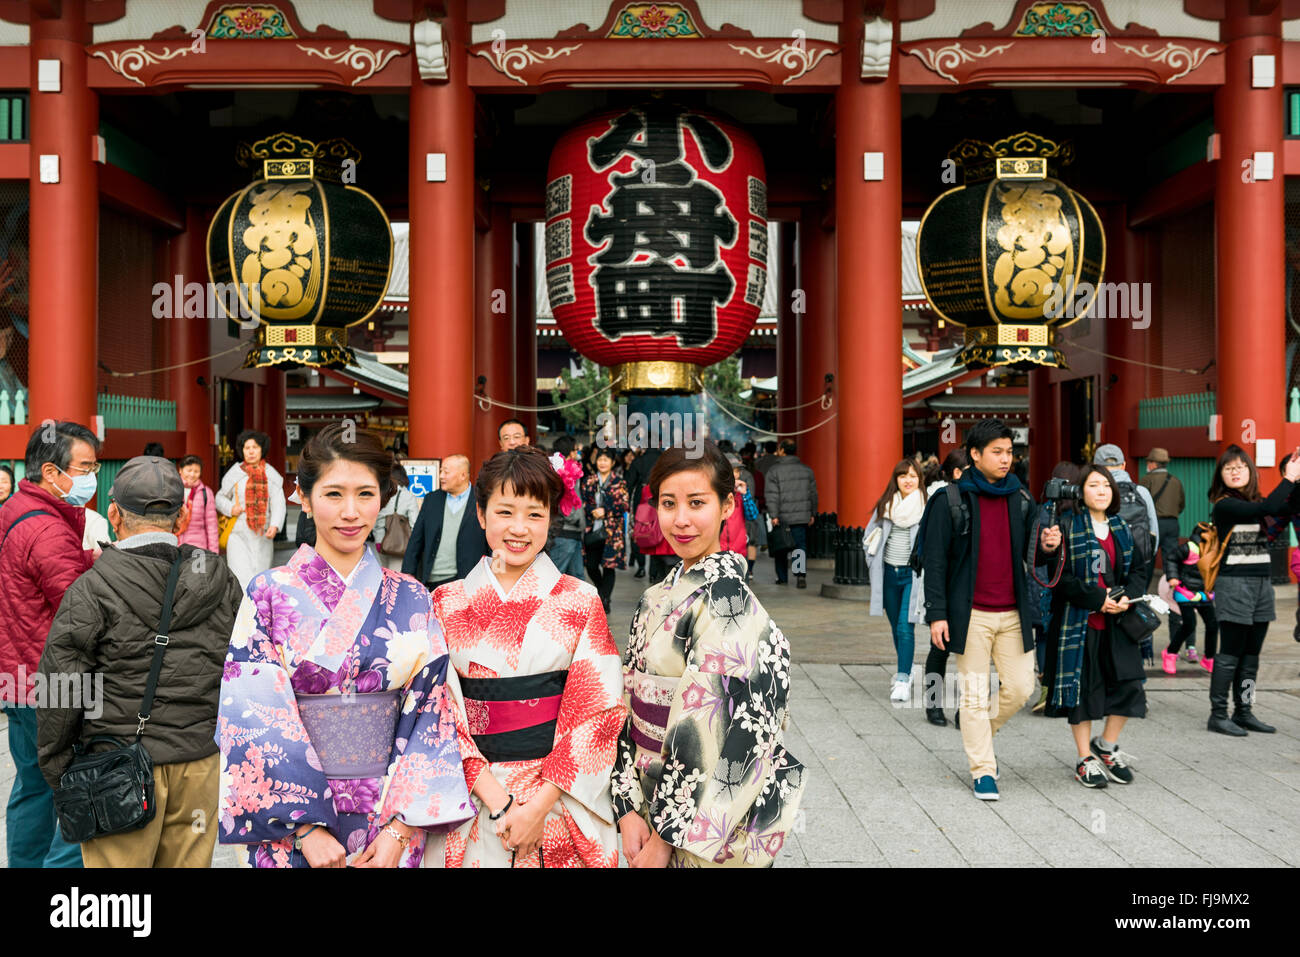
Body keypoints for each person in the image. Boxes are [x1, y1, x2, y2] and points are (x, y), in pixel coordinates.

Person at [216, 423, 474, 868]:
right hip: (292, 830)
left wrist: (398, 829)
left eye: (366, 494)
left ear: (383, 497)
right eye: (334, 494)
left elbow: (433, 714)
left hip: (390, 821)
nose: (350, 512)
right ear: (303, 495)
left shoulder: (411, 595)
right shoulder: (268, 593)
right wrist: (307, 828)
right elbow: (251, 714)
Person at [36, 456, 243, 866]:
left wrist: (58, 766)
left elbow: (61, 684)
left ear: (113, 514)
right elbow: (244, 669)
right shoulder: (220, 578)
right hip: (199, 761)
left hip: (116, 766)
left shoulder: (93, 587)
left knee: (122, 909)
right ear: (182, 515)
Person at [611, 443, 807, 867]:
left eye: (696, 503)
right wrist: (626, 804)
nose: (680, 520)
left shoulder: (730, 601)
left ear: (727, 505)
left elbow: (721, 729)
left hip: (699, 823)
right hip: (646, 803)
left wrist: (665, 838)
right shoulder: (653, 597)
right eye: (668, 503)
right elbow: (626, 705)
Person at [435, 447, 624, 867]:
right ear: (480, 514)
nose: (519, 528)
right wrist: (501, 802)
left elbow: (599, 711)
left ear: (551, 519)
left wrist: (537, 806)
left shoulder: (580, 600)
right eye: (505, 512)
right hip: (475, 796)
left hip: (555, 798)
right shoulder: (444, 602)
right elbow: (437, 713)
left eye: (535, 514)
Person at [923, 419, 1061, 801]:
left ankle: (978, 731)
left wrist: (1049, 545)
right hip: (971, 614)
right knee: (972, 693)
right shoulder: (950, 499)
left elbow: (1033, 553)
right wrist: (937, 613)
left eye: (1009, 452)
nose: (1006, 460)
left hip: (1014, 611)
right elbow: (934, 561)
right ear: (975, 454)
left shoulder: (1021, 498)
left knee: (1021, 688)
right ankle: (984, 769)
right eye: (997, 452)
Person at [0, 421, 100, 868]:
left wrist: (84, 558)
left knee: (32, 786)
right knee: (73, 786)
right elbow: (78, 610)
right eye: (85, 467)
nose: (92, 476)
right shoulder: (48, 530)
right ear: (51, 471)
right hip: (52, 682)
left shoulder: (15, 507)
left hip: (16, 672)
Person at [1041, 466, 1148, 788]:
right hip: (1081, 619)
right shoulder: (1067, 527)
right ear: (1080, 492)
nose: (1101, 490)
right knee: (1084, 690)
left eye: (1106, 485)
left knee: (1130, 686)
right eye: (1093, 485)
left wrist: (1126, 596)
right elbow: (1061, 578)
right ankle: (1084, 756)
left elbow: (1140, 570)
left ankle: (1106, 746)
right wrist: (1098, 598)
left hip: (1119, 621)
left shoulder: (1123, 528)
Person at [1203, 444, 1300, 736]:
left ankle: (1244, 710)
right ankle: (1218, 714)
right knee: (1230, 653)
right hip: (1234, 584)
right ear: (1221, 475)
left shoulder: (1259, 502)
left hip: (1261, 584)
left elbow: (1287, 507)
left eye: (1241, 466)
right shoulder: (1225, 505)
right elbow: (1267, 508)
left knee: (1251, 656)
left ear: (1250, 471)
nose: (1235, 471)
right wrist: (1290, 477)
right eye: (1229, 467)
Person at [864, 459, 927, 703]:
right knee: (895, 627)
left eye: (913, 476)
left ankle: (902, 678)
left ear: (920, 479)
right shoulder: (886, 505)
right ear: (896, 480)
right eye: (903, 476)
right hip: (889, 573)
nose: (908, 480)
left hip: (912, 575)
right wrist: (872, 560)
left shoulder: (926, 506)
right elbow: (869, 535)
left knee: (904, 625)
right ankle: (907, 669)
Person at [1027, 461, 1082, 714]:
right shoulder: (1079, 515)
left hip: (1041, 582)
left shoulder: (1043, 510)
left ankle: (1046, 686)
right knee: (1064, 635)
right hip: (1065, 583)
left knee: (1044, 635)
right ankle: (1065, 688)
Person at [920, 449, 968, 725]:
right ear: (954, 473)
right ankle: (933, 704)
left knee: (971, 653)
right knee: (940, 648)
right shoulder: (942, 499)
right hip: (946, 585)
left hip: (969, 585)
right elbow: (934, 554)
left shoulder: (978, 498)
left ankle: (967, 709)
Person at [402, 453, 489, 589]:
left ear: (463, 475)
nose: (441, 476)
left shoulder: (481, 501)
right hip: (431, 579)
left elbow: (490, 542)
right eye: (441, 471)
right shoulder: (432, 499)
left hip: (468, 580)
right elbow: (416, 540)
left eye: (446, 472)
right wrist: (407, 573)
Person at [215, 429, 286, 590]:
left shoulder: (270, 474)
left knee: (260, 575)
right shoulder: (235, 472)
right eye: (247, 448)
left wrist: (274, 525)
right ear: (242, 451)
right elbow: (219, 498)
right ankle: (240, 609)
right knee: (239, 574)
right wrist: (230, 508)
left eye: (255, 447)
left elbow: (278, 502)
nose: (251, 451)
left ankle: (256, 610)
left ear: (262, 449)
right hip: (238, 532)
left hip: (263, 532)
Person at [1093, 444, 1158, 585]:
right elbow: (1154, 532)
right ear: (1123, 465)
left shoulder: (1095, 493)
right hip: (1139, 564)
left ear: (1095, 466)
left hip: (1104, 564)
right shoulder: (1141, 492)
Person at [1163, 526, 1216, 674]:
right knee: (1189, 624)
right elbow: (1171, 558)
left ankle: (1209, 658)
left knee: (1213, 624)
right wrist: (1173, 577)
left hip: (1204, 592)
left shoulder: (1214, 548)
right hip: (1185, 591)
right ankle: (1170, 653)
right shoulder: (1189, 548)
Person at [765, 438, 818, 587]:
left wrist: (773, 515)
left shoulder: (774, 471)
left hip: (782, 517)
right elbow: (813, 494)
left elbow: (772, 495)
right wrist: (812, 513)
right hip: (801, 517)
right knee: (799, 547)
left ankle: (782, 578)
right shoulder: (807, 470)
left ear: (782, 450)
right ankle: (800, 575)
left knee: (781, 547)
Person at [583, 447, 629, 613]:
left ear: (612, 462)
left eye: (606, 460)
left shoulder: (619, 482)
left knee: (609, 566)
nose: (602, 463)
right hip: (593, 530)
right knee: (591, 566)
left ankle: (605, 599)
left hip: (612, 533)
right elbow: (583, 502)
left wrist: (606, 511)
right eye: (600, 459)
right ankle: (602, 591)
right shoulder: (589, 480)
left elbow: (624, 505)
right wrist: (592, 511)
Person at [1140, 447, 1184, 574]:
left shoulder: (1147, 480)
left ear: (1153, 464)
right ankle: (1170, 589)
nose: (1147, 465)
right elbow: (1181, 504)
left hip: (1153, 524)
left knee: (1147, 558)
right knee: (1171, 560)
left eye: (1148, 462)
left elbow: (1140, 503)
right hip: (1172, 524)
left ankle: (1143, 591)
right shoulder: (1176, 481)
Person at [548, 435, 587, 581]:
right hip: (565, 532)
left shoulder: (568, 470)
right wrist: (575, 518)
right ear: (570, 452)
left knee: (577, 578)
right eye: (576, 450)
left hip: (573, 533)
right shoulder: (561, 472)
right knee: (556, 577)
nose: (578, 453)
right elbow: (562, 500)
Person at [374, 461, 422, 572]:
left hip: (382, 543)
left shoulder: (383, 494)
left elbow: (379, 519)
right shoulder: (408, 496)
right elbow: (415, 522)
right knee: (396, 576)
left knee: (384, 573)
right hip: (401, 544)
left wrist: (378, 540)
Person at [728, 452, 761, 581]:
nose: (736, 475)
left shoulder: (742, 494)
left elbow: (752, 515)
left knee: (742, 585)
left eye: (737, 471)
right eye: (733, 471)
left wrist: (745, 494)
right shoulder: (716, 494)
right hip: (719, 549)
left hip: (739, 547)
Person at [177, 454, 219, 552]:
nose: (192, 474)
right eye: (189, 470)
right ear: (180, 470)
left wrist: (213, 553)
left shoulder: (206, 492)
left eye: (196, 471)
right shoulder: (173, 490)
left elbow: (211, 525)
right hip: (175, 545)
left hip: (197, 548)